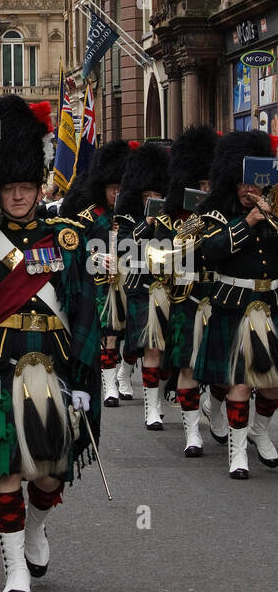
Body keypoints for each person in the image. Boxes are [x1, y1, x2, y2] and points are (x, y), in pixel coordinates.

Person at [0, 96, 100, 592]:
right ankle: (14, 567)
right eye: (10, 188)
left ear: (39, 188)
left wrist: (82, 379)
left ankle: (36, 527)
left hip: (52, 366)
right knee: (7, 468)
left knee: (51, 471)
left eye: (26, 187)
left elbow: (81, 314)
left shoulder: (66, 240)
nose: (17, 196)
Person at [195, 129, 278, 479]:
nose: (249, 190)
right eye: (243, 184)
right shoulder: (213, 213)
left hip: (270, 304)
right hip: (234, 304)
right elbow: (210, 252)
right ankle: (238, 450)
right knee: (241, 384)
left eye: (254, 183)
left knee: (273, 385)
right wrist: (248, 222)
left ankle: (259, 430)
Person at [152, 126, 217, 456]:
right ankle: (192, 432)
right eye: (200, 186)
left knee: (223, 371)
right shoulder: (173, 223)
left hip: (221, 300)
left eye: (209, 185)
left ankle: (216, 414)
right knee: (188, 368)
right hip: (188, 300)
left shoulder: (227, 218)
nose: (204, 191)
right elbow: (157, 262)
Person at [62, 141, 136, 407]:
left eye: (121, 188)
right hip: (102, 283)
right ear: (103, 188)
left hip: (131, 283)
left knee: (134, 339)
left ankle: (124, 375)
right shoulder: (89, 217)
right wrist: (94, 257)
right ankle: (109, 385)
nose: (117, 193)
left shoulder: (134, 217)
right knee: (109, 335)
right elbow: (74, 249)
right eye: (113, 189)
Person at [116, 142, 171, 429]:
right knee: (151, 349)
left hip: (171, 287)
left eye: (156, 194)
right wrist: (146, 224)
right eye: (147, 195)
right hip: (142, 286)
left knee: (168, 354)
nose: (152, 198)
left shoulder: (174, 217)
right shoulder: (128, 217)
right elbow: (124, 247)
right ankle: (152, 407)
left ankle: (159, 395)